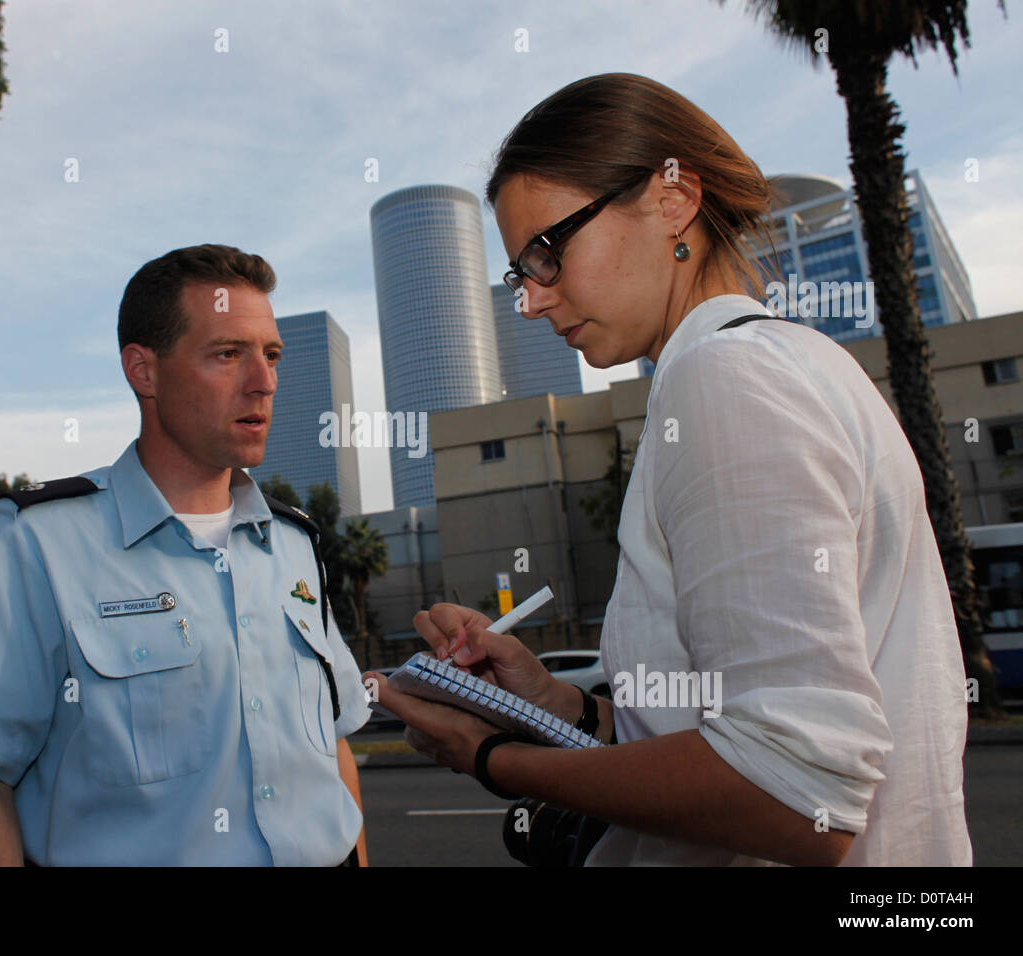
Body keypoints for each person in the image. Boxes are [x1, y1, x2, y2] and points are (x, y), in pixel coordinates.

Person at [366, 73, 972, 866]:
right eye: (521, 273)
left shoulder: (722, 380)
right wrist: (557, 708)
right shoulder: (790, 363)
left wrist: (492, 757)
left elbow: (798, 788)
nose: (532, 301)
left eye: (547, 252)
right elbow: (717, 728)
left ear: (672, 199)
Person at [0, 244, 371, 866]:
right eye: (228, 354)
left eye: (271, 355)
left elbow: (332, 749)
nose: (264, 381)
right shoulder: (36, 544)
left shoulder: (295, 545)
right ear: (144, 370)